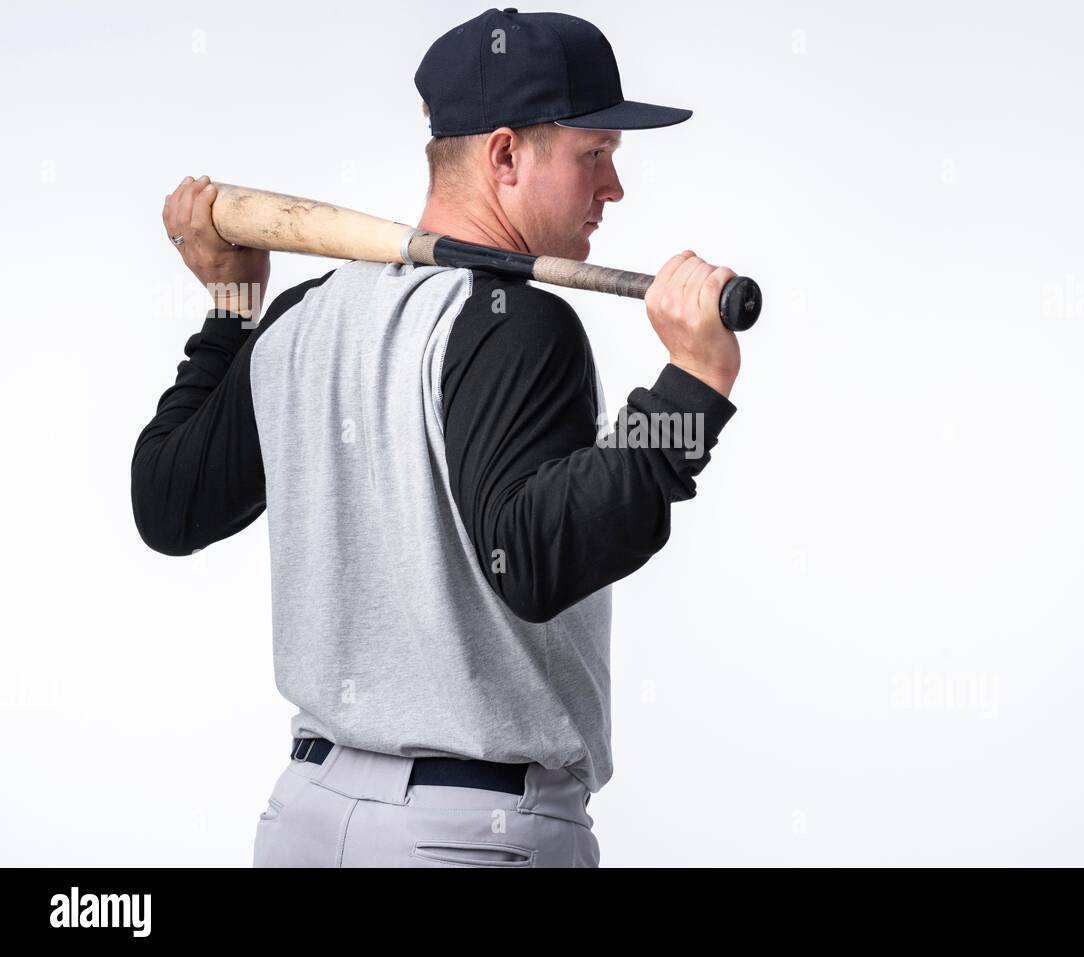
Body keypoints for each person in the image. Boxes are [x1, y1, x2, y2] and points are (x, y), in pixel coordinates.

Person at [132, 7, 741, 868]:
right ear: (504, 155)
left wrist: (233, 312)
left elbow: (168, 503)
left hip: (304, 819)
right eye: (594, 156)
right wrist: (691, 390)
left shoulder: (304, 318)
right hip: (467, 838)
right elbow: (532, 559)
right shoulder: (524, 325)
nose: (615, 188)